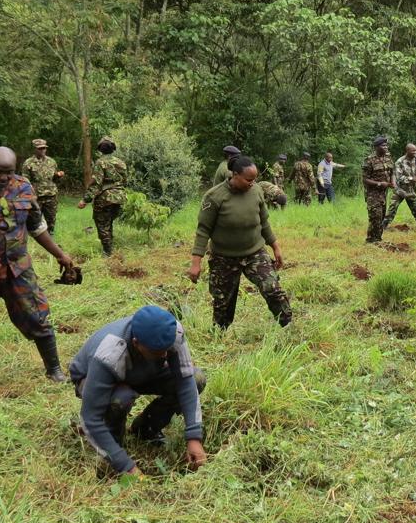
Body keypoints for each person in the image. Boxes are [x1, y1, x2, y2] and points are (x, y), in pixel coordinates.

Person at [0, 147, 76, 380]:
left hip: (18, 268)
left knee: (37, 316)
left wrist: (60, 254)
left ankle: (54, 371)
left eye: (9, 172)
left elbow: (37, 227)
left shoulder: (24, 187)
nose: (4, 177)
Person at [70, 305, 207, 476]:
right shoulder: (109, 353)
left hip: (139, 371)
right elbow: (90, 418)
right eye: (158, 352)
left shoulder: (172, 333)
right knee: (121, 399)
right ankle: (113, 448)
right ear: (136, 343)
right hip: (91, 377)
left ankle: (145, 429)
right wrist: (126, 466)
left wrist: (194, 436)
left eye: (167, 350)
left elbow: (186, 382)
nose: (165, 356)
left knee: (197, 378)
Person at [188, 156, 291, 331]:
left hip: (255, 253)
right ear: (234, 175)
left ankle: (288, 326)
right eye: (248, 179)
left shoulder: (256, 191)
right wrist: (195, 263)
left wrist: (276, 247)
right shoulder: (214, 197)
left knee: (272, 288)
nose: (253, 183)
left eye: (255, 179)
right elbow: (203, 230)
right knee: (222, 302)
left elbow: (264, 223)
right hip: (223, 258)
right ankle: (219, 335)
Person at [77, 136, 127, 257]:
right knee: (108, 223)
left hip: (105, 199)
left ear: (100, 149)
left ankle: (108, 253)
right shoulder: (121, 162)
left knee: (102, 225)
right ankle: (110, 248)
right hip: (119, 198)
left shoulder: (100, 162)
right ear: (113, 148)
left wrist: (85, 200)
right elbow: (125, 181)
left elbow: (96, 184)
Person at [22, 139, 64, 234]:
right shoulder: (28, 163)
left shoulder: (52, 162)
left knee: (51, 217)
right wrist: (29, 195)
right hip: (37, 195)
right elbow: (25, 181)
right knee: (35, 217)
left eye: (44, 148)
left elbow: (55, 179)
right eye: (40, 148)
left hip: (51, 194)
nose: (42, 150)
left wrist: (58, 176)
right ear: (35, 149)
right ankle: (36, 234)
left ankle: (50, 235)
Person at [384, 143, 416, 228]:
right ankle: (384, 226)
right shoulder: (400, 161)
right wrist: (413, 179)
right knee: (392, 208)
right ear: (407, 151)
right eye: (413, 151)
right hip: (400, 190)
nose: (415, 152)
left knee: (415, 208)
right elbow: (399, 177)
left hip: (411, 190)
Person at [362, 137, 394, 243]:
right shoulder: (369, 160)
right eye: (383, 146)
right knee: (375, 216)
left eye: (386, 145)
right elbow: (365, 179)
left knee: (382, 216)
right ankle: (371, 239)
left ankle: (378, 238)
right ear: (376, 147)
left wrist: (392, 181)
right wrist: (380, 183)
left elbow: (392, 171)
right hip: (372, 193)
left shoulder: (388, 157)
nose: (385, 147)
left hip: (384, 193)